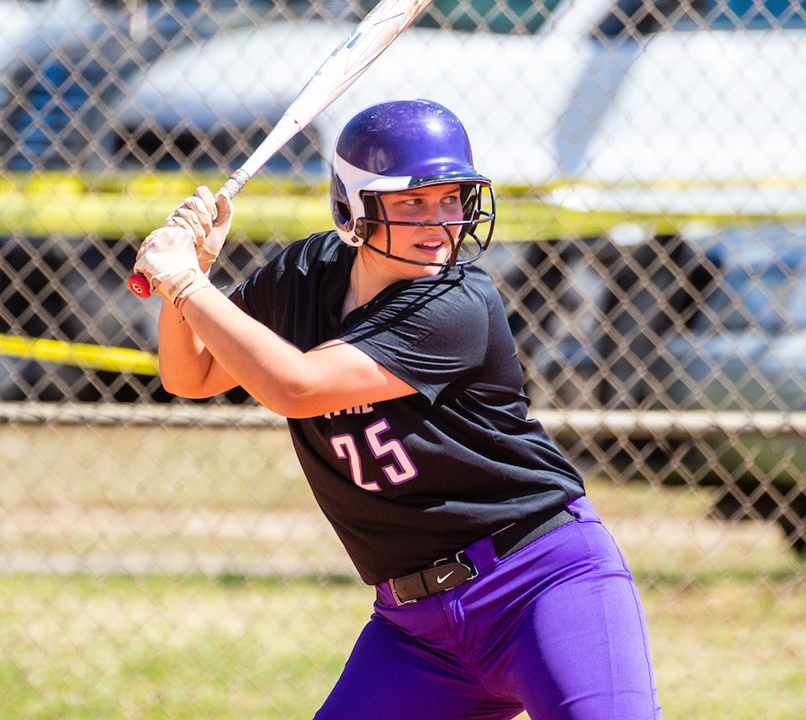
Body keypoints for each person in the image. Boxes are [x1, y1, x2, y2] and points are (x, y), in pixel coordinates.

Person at [133, 98, 661, 719]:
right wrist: (192, 272)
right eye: (411, 202)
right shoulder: (307, 274)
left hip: (540, 583)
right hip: (416, 631)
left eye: (451, 199)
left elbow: (293, 387)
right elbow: (189, 374)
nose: (439, 222)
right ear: (353, 209)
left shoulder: (457, 303)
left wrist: (187, 285)